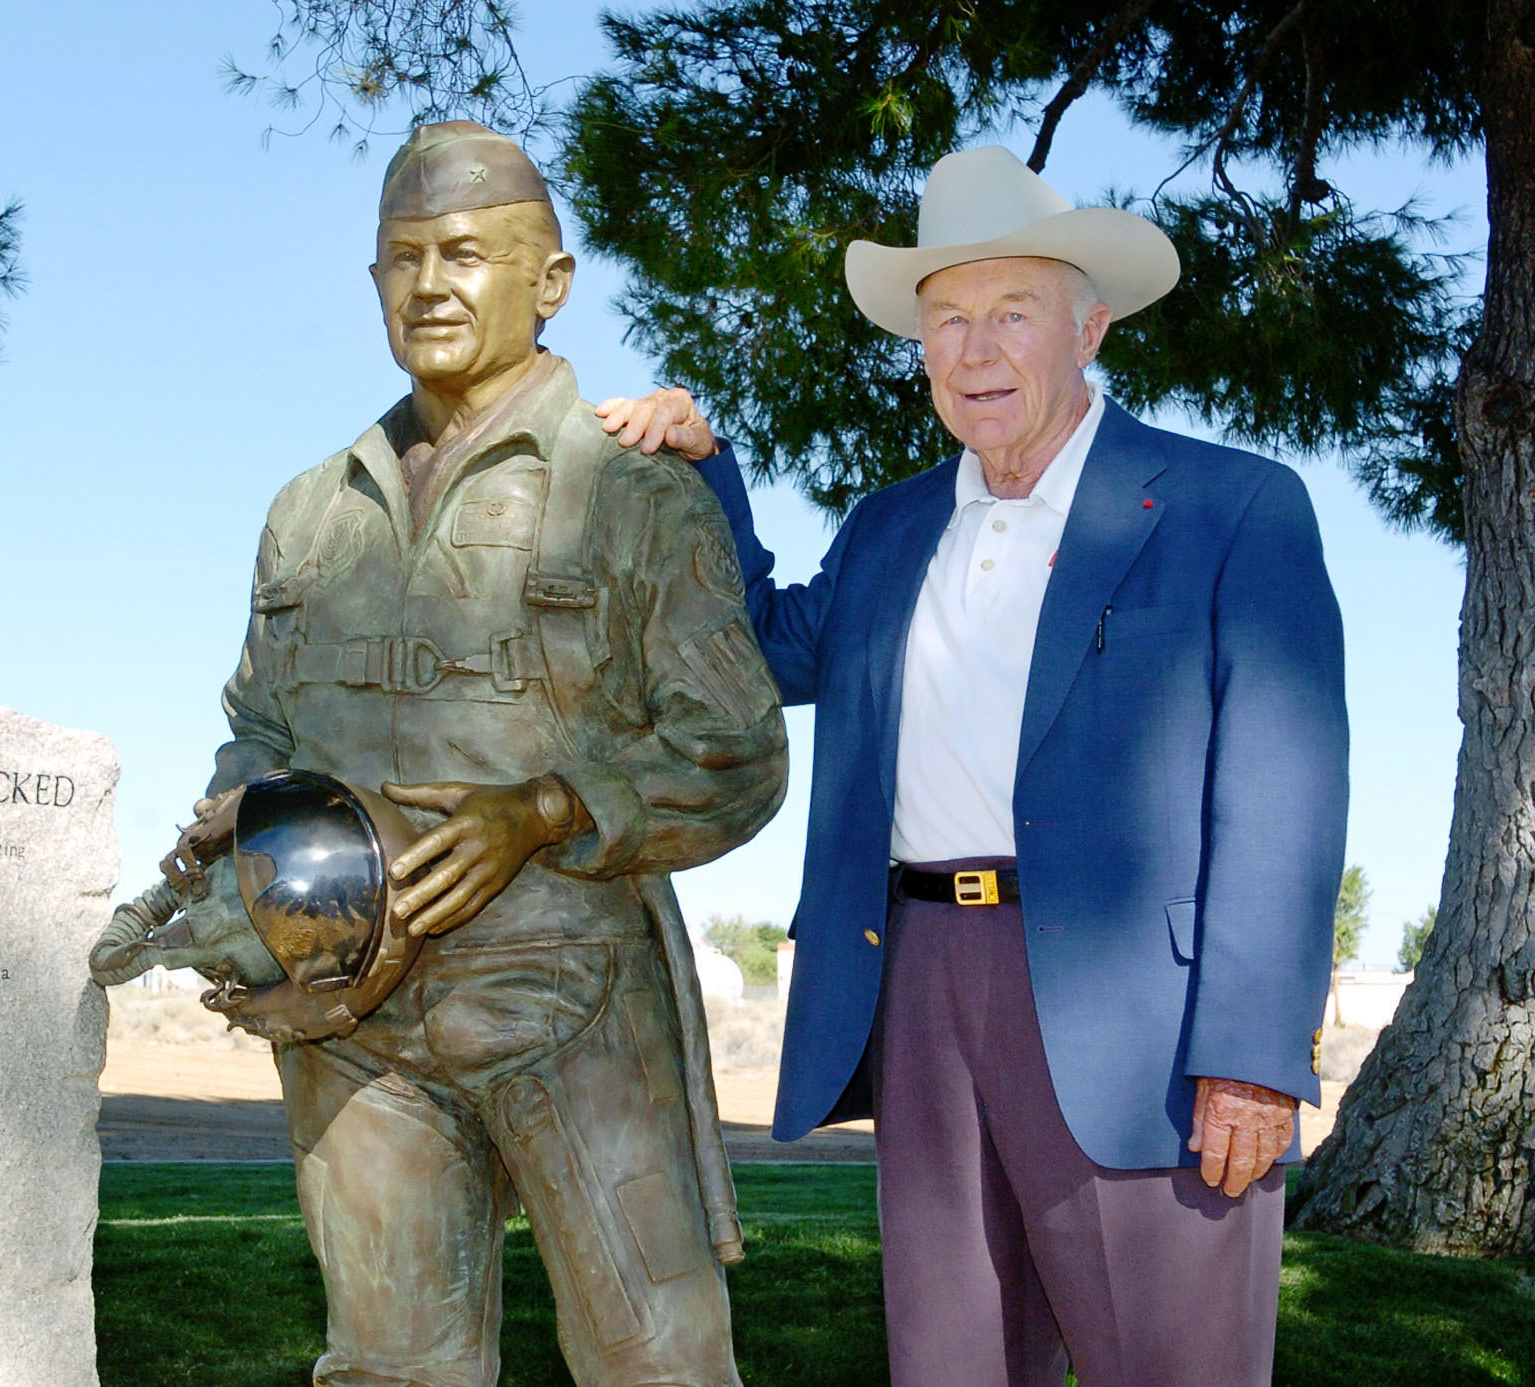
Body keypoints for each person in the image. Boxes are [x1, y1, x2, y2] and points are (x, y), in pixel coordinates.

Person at [600, 144, 1348, 1387]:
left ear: (1088, 328)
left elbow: (1284, 794)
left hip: (1145, 1027)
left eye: (1011, 312)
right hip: (919, 988)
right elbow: (756, 646)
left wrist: (1252, 1053)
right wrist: (700, 468)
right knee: (949, 1362)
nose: (975, 349)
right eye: (946, 319)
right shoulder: (890, 527)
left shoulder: (1229, 506)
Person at [175, 121, 787, 1387]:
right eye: (401, 259)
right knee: (387, 1367)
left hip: (575, 998)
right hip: (353, 1017)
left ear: (548, 280)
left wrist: (546, 807)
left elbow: (735, 751)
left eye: (465, 253)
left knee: (657, 1362)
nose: (430, 285)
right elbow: (260, 722)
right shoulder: (309, 511)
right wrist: (249, 847)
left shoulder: (635, 491)